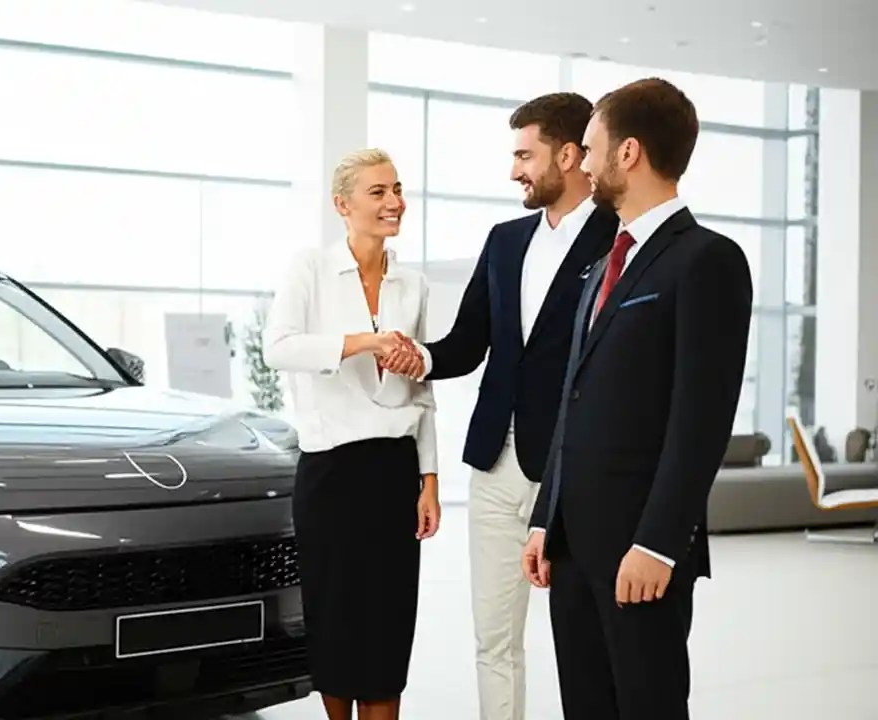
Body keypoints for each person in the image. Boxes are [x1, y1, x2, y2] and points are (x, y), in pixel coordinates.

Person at [521, 78, 753, 720]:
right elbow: (575, 399)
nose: (584, 164)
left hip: (640, 550)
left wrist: (659, 543)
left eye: (591, 148)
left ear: (628, 153)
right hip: (573, 546)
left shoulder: (707, 260)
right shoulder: (600, 266)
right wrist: (546, 516)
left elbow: (701, 420)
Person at [382, 91, 617, 720]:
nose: (514, 170)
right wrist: (420, 356)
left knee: (582, 642)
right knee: (494, 639)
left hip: (570, 470)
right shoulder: (505, 239)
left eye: (524, 154)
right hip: (493, 463)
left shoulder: (617, 239)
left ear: (568, 155)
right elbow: (468, 341)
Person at [263, 148, 441, 720]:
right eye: (378, 192)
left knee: (388, 626)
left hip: (394, 472)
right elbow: (278, 348)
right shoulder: (309, 270)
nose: (394, 203)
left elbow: (422, 391)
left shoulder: (414, 285)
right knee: (336, 622)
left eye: (397, 190)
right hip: (330, 473)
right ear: (342, 205)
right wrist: (361, 342)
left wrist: (430, 478)